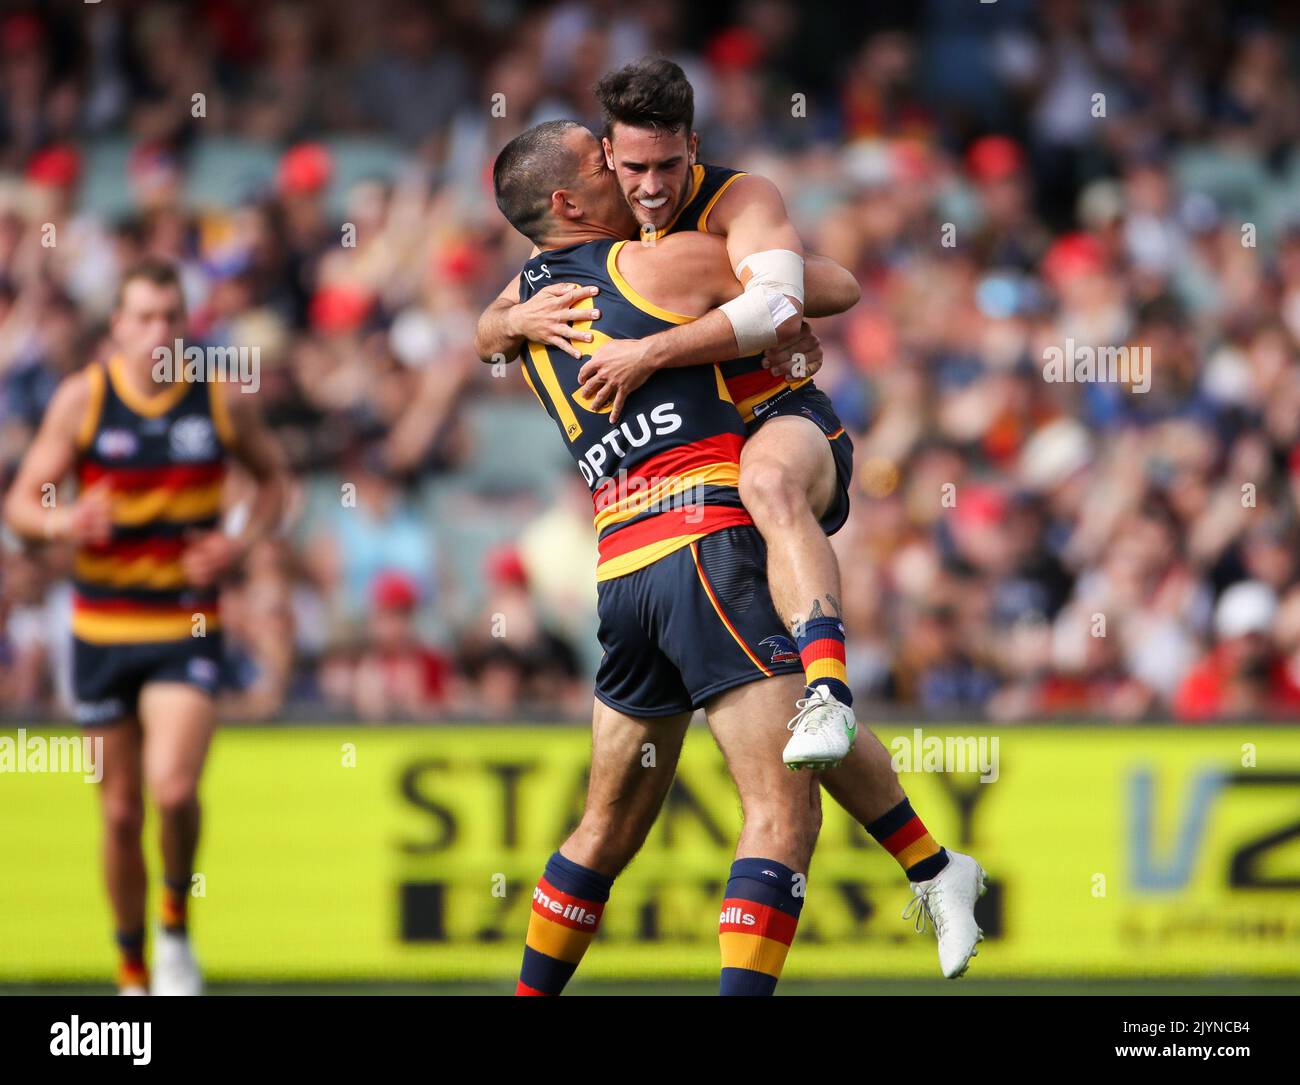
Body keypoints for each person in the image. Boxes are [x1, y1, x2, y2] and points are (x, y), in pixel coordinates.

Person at [492, 120, 986, 989]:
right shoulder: (653, 262)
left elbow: (487, 332)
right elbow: (818, 287)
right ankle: (932, 864)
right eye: (602, 160)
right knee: (781, 806)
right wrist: (761, 311)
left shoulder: (528, 307)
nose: (623, 171)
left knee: (603, 830)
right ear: (568, 200)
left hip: (623, 567)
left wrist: (495, 321)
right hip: (701, 547)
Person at [476, 57, 861, 772]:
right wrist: (517, 319)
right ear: (606, 160)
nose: (651, 189)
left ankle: (833, 686)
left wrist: (656, 350)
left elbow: (824, 287)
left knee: (768, 484)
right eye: (631, 169)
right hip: (700, 476)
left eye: (667, 165)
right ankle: (931, 864)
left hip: (777, 417)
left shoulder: (735, 200)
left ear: (693, 145)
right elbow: (485, 333)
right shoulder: (586, 238)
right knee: (779, 749)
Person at [3, 258, 290, 994]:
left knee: (170, 788)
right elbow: (22, 508)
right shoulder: (84, 400)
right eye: (145, 317)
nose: (160, 330)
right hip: (99, 629)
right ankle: (133, 969)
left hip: (185, 625)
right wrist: (64, 517)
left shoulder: (218, 399)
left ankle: (173, 927)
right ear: (118, 327)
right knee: (121, 810)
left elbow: (276, 482)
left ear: (185, 323)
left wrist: (240, 541)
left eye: (172, 315)